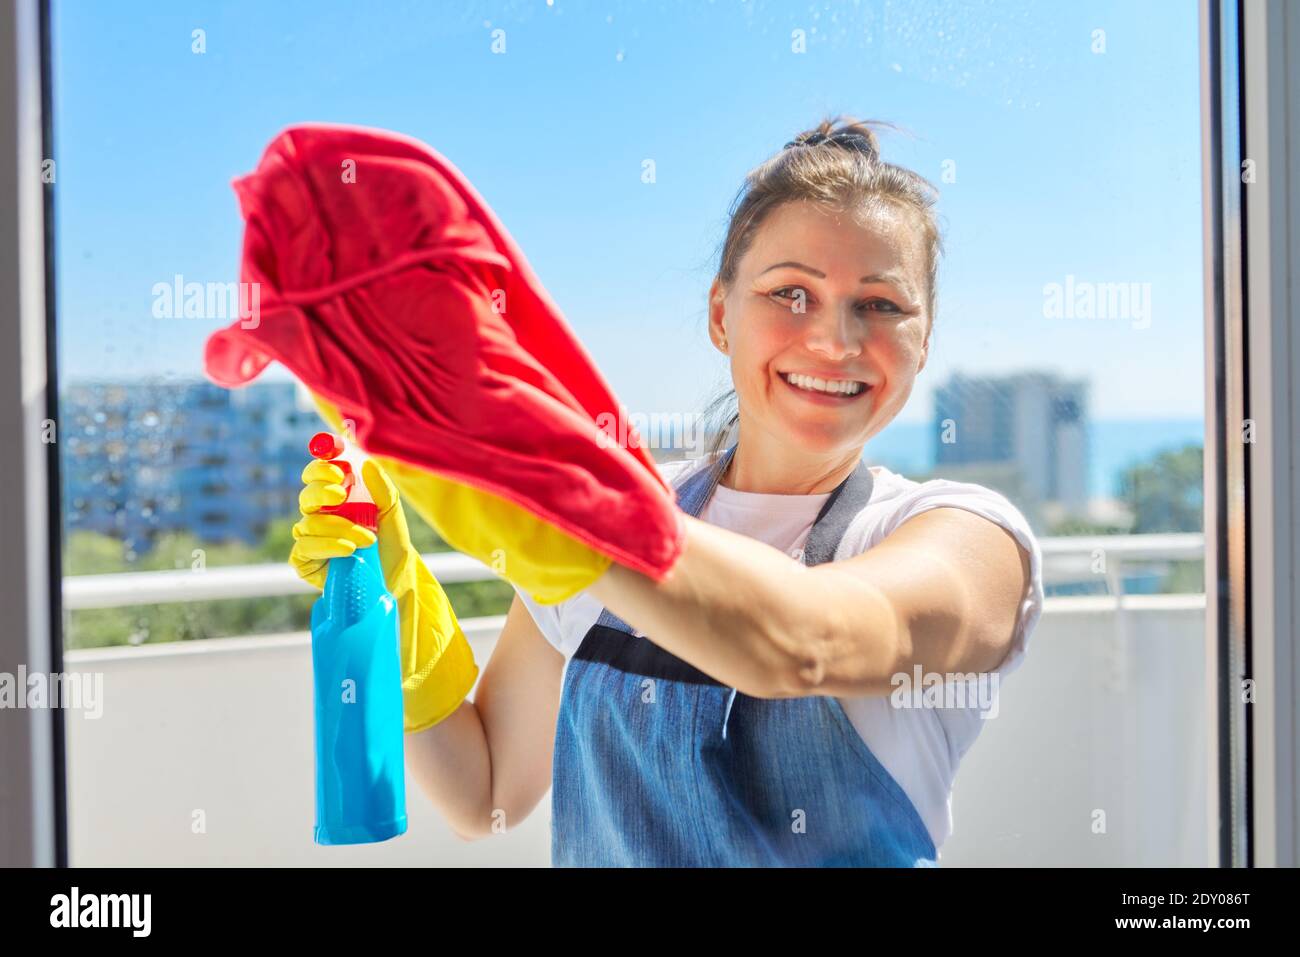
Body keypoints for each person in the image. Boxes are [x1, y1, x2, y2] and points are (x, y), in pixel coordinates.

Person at [291, 116, 1042, 866]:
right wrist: (398, 595)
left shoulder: (966, 538)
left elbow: (806, 638)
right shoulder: (625, 512)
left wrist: (579, 517)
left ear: (925, 334)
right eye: (790, 293)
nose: (835, 341)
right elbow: (483, 791)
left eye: (881, 304)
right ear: (721, 314)